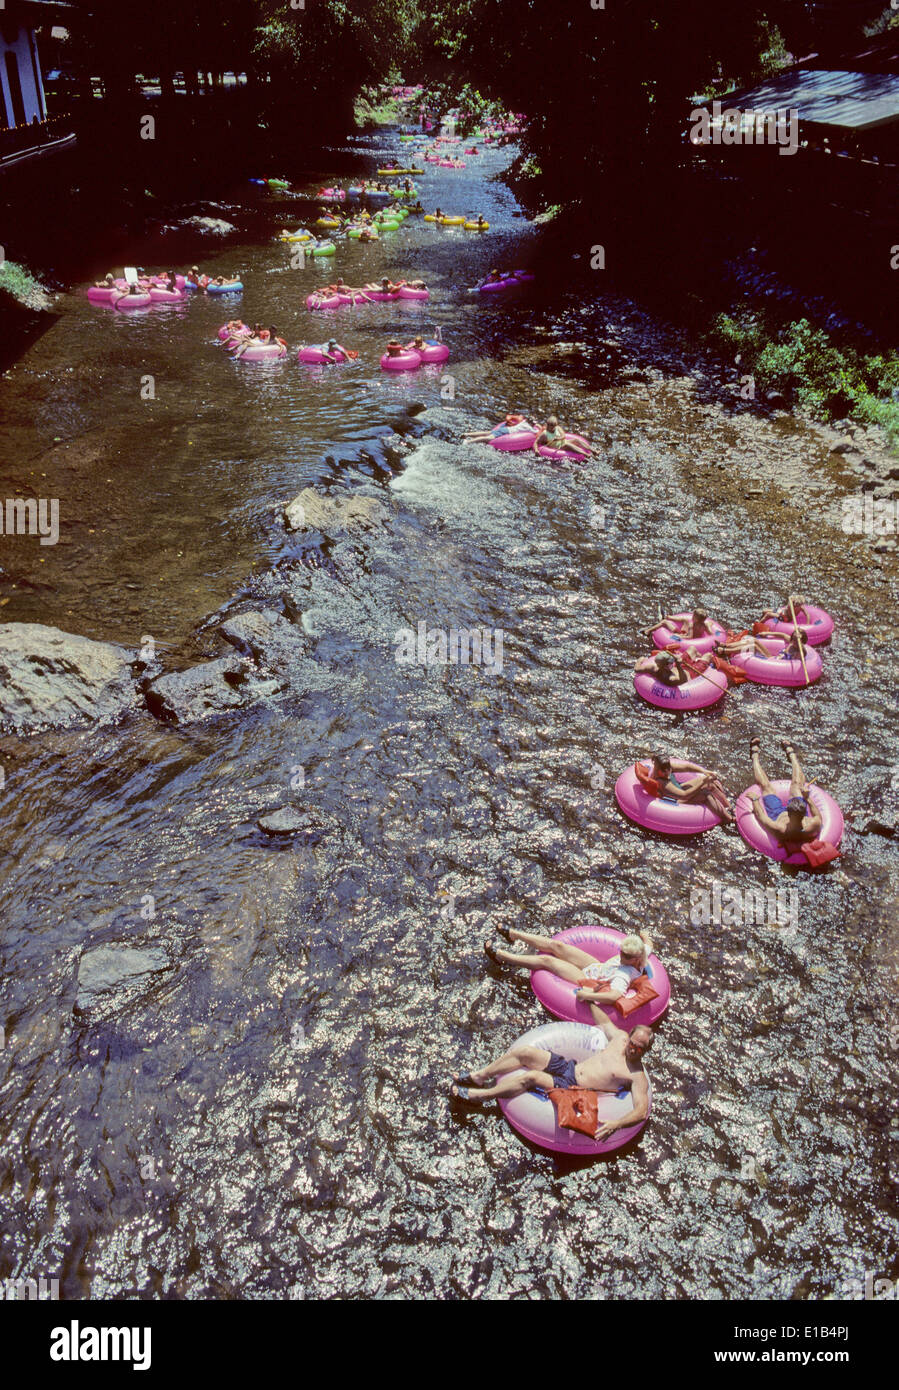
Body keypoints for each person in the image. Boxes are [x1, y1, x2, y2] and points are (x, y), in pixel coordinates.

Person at [451, 1011, 652, 1145]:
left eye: (639, 1048)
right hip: (569, 1066)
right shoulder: (620, 1039)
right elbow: (606, 1023)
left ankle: (481, 1096)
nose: (633, 1049)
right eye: (633, 1043)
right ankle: (480, 1076)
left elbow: (641, 1111)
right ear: (630, 1036)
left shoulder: (636, 1076)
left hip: (573, 1086)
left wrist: (616, 1124)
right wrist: (590, 998)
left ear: (646, 1050)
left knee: (531, 1077)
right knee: (525, 1052)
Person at [483, 925, 654, 1010]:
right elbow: (648, 944)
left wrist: (586, 994)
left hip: (591, 980)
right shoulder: (641, 953)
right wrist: (644, 934)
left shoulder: (623, 975)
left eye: (626, 956)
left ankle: (501, 956)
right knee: (558, 946)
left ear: (635, 958)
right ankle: (513, 934)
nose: (622, 955)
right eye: (621, 952)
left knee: (547, 961)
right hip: (597, 967)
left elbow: (614, 996)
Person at [746, 737, 822, 847]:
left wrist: (755, 800)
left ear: (789, 813)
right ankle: (792, 756)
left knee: (765, 786)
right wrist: (807, 798)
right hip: (793, 815)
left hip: (776, 813)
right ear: (804, 813)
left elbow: (760, 815)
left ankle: (754, 756)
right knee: (796, 784)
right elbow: (818, 815)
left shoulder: (780, 829)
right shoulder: (813, 824)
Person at [638, 751, 733, 823]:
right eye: (664, 771)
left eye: (668, 769)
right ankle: (729, 819)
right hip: (677, 800)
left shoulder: (665, 768)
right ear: (658, 770)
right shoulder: (661, 782)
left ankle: (729, 808)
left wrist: (705, 772)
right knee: (705, 794)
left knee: (711, 783)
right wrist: (703, 781)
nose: (667, 773)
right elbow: (684, 795)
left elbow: (687, 767)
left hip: (679, 788)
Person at [462, 412, 536, 444]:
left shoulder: (523, 422)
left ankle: (467, 434)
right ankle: (468, 442)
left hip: (504, 429)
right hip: (506, 431)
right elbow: (535, 433)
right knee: (488, 438)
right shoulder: (528, 427)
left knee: (486, 433)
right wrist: (539, 427)